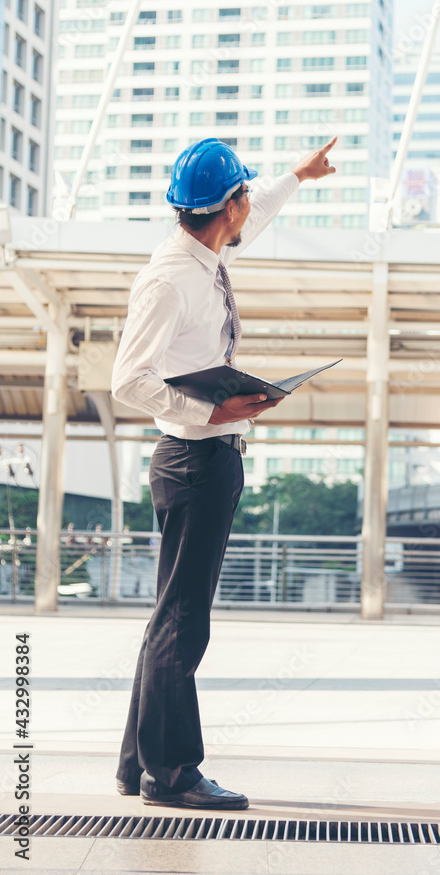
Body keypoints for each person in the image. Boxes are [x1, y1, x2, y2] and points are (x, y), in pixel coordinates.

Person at [111, 136, 336, 811]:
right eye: (244, 195)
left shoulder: (206, 248)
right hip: (194, 461)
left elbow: (256, 211)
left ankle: (136, 763)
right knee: (184, 621)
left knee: (169, 617)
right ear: (225, 208)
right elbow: (128, 379)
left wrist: (297, 175)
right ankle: (172, 772)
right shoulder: (170, 279)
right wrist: (209, 414)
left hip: (202, 463)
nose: (249, 206)